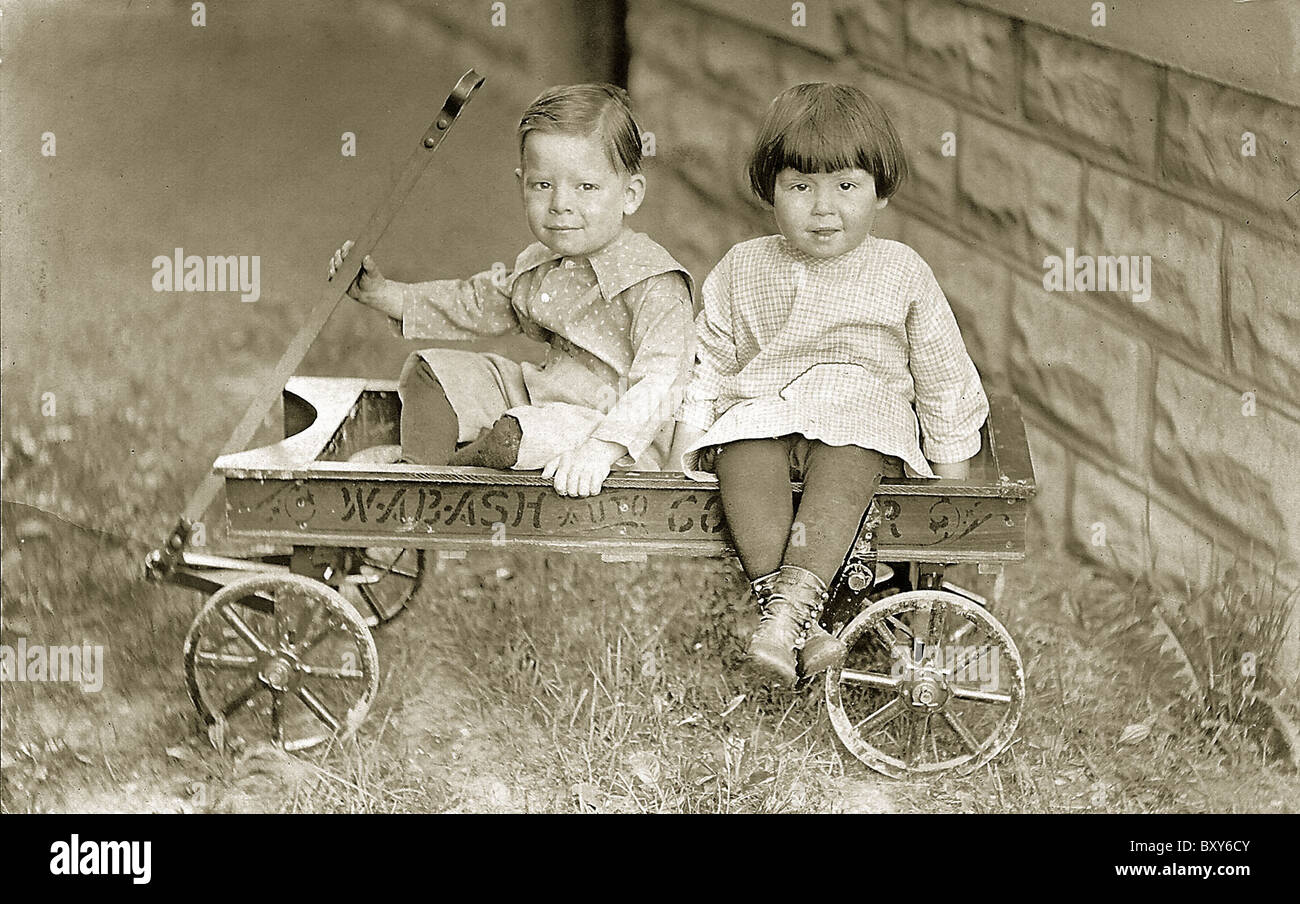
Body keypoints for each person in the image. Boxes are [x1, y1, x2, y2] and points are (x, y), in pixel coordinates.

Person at [669, 83, 989, 683]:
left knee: (849, 452)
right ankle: (798, 624)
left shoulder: (900, 272)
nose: (823, 209)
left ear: (881, 190)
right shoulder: (744, 266)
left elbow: (943, 375)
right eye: (800, 186)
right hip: (768, 407)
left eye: (846, 186)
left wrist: (952, 478)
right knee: (740, 451)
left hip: (861, 416)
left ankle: (784, 615)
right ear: (770, 192)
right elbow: (707, 360)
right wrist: (682, 440)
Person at [330, 84, 694, 498]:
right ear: (521, 184)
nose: (560, 203)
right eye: (542, 185)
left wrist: (600, 449)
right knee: (431, 371)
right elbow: (478, 303)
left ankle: (441, 483)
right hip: (540, 395)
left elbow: (662, 384)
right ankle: (417, 477)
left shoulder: (654, 281)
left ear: (630, 194)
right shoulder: (542, 263)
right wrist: (383, 294)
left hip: (613, 430)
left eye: (586, 187)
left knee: (516, 434)